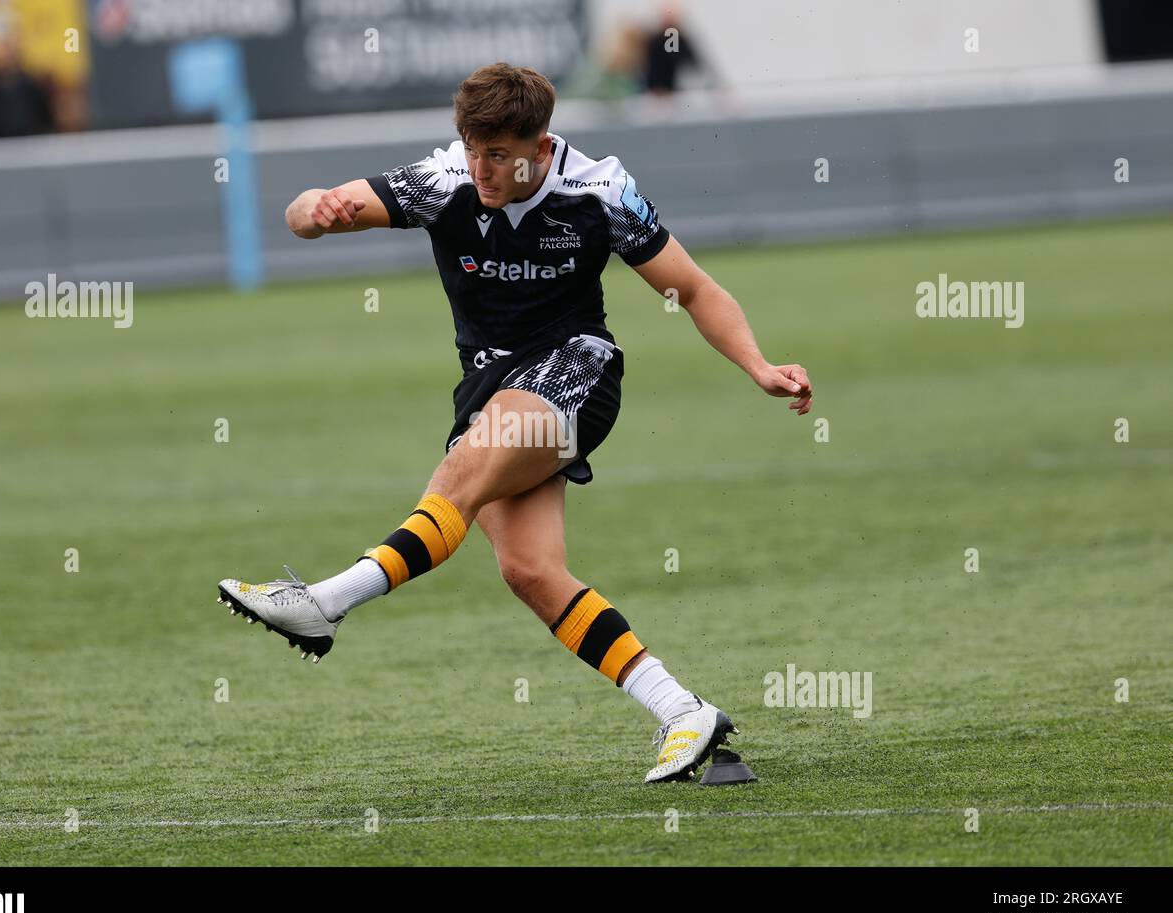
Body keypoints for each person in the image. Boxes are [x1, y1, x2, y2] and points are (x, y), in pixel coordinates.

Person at [218, 63, 812, 783]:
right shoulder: (444, 181)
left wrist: (757, 365)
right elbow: (311, 208)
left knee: (460, 476)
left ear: (541, 143)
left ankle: (325, 603)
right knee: (530, 570)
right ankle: (684, 712)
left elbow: (692, 288)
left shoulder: (600, 191)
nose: (482, 168)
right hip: (489, 384)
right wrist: (314, 211)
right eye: (472, 149)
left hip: (574, 373)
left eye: (499, 154)